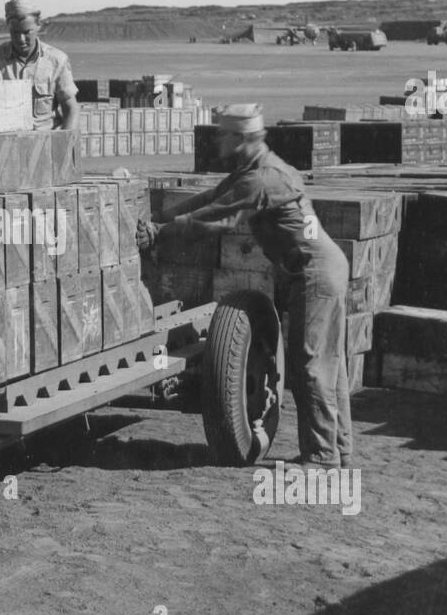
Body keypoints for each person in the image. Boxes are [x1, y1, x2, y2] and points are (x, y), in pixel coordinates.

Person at [136, 104, 352, 470]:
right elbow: (208, 199)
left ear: (241, 138)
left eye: (224, 134)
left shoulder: (260, 179)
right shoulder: (255, 170)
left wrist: (160, 233)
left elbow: (215, 219)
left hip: (315, 272)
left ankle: (321, 457)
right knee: (331, 365)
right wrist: (162, 217)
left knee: (312, 365)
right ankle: (339, 451)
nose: (218, 140)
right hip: (322, 267)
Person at [0, 0, 79, 130]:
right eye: (14, 33)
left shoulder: (57, 61)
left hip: (46, 142)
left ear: (38, 26)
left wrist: (65, 144)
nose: (21, 39)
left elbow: (71, 108)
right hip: (7, 141)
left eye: (27, 32)